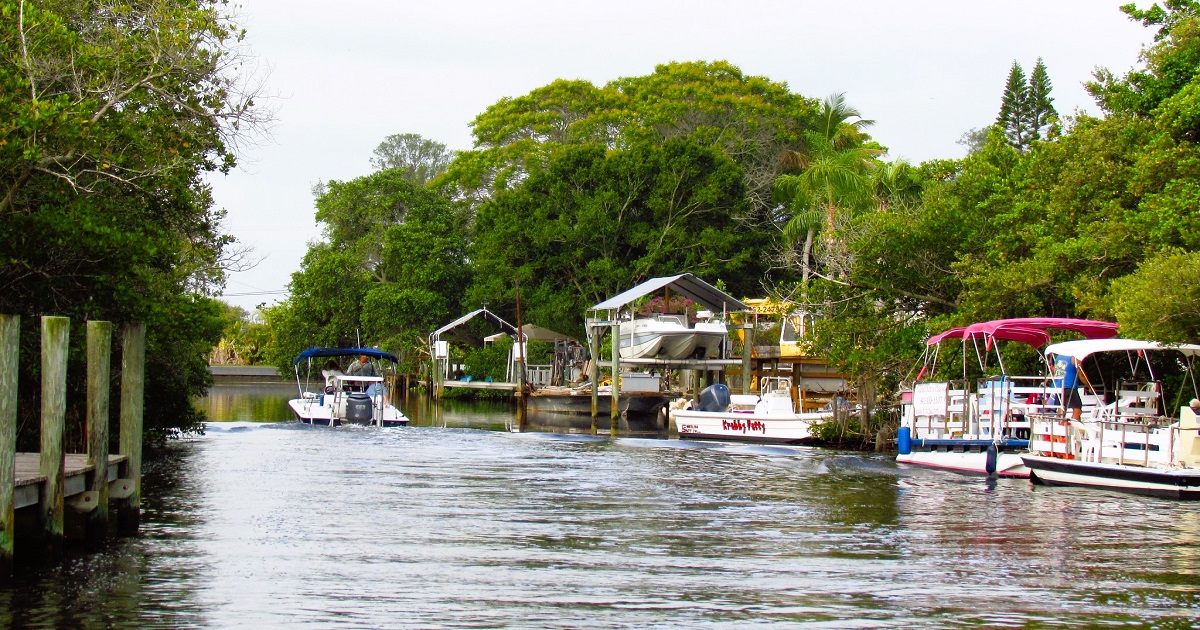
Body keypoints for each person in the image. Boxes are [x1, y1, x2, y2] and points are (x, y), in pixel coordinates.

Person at [1053, 353, 1090, 421]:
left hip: (1059, 387)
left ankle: (1059, 425)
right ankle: (1075, 425)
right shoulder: (1074, 358)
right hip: (1069, 386)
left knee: (1061, 409)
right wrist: (1089, 386)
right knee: (1077, 409)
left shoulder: (1058, 357)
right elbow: (1081, 375)